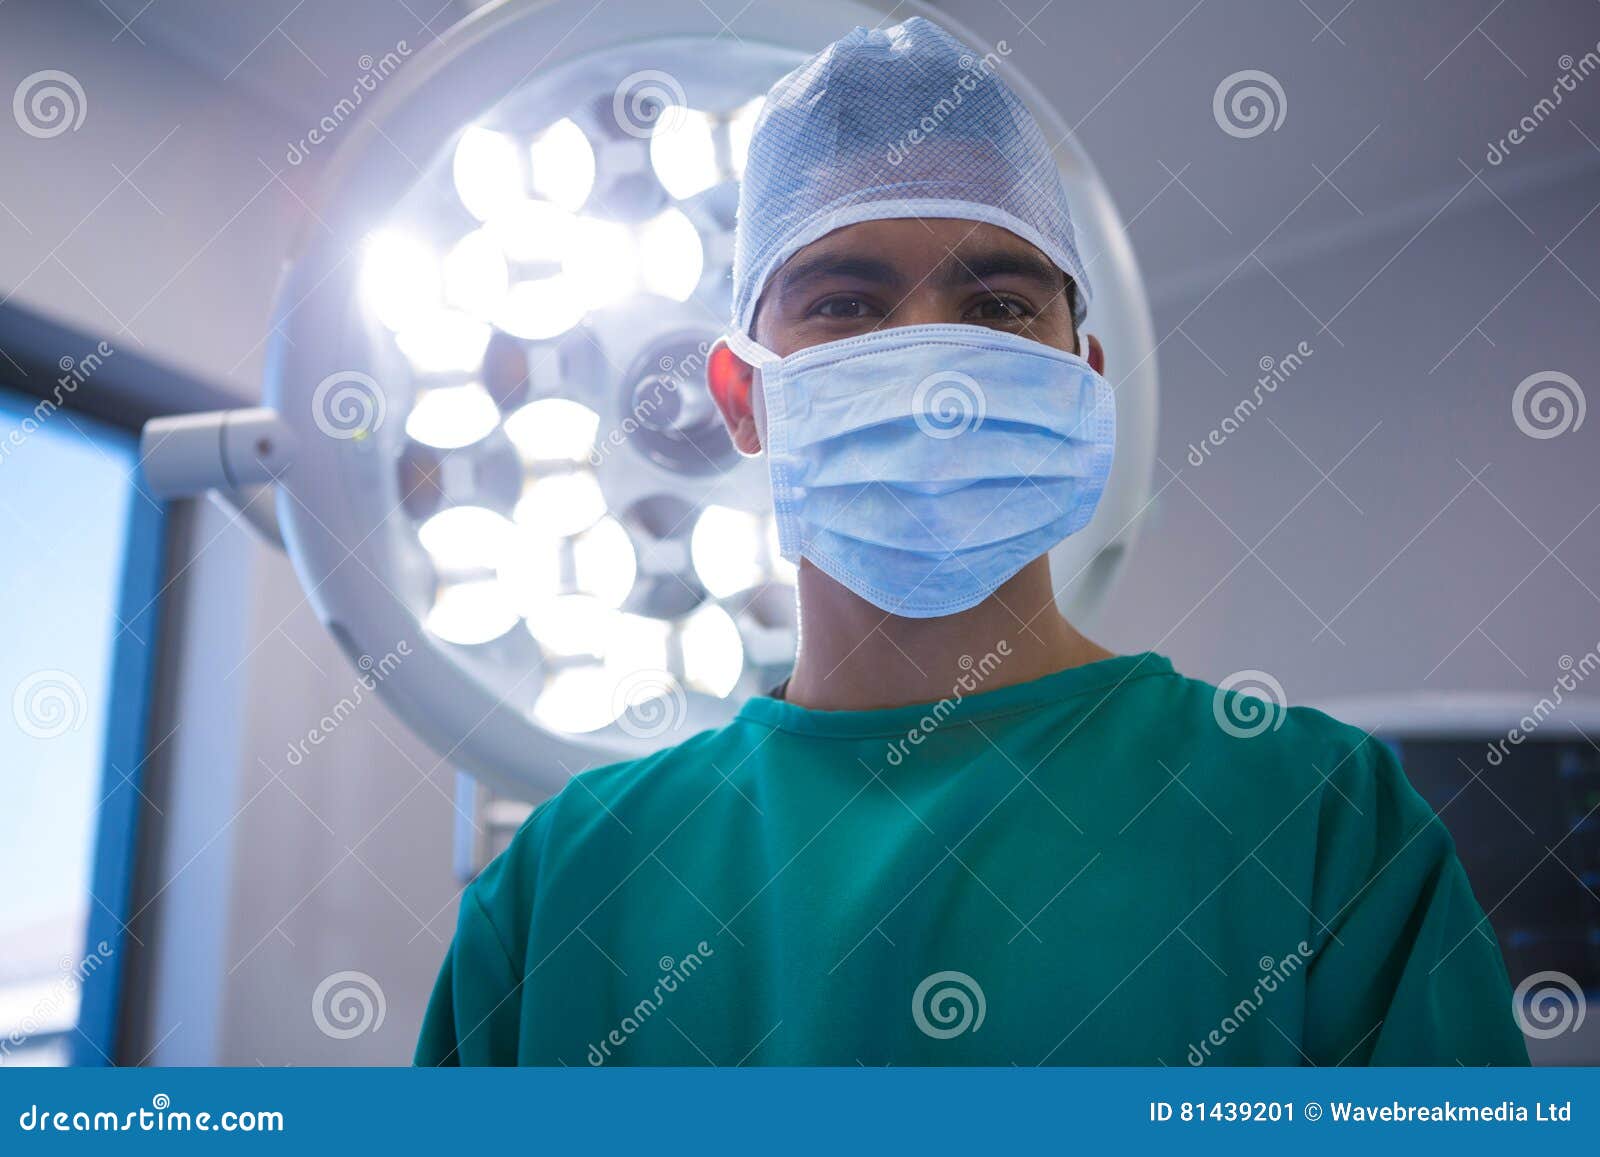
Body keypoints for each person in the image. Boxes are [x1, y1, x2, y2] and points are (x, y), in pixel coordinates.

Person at [416, 16, 1527, 1067]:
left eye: (997, 305)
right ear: (743, 399)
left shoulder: (1317, 824)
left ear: (1082, 383)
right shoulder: (566, 893)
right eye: (846, 304)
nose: (933, 364)